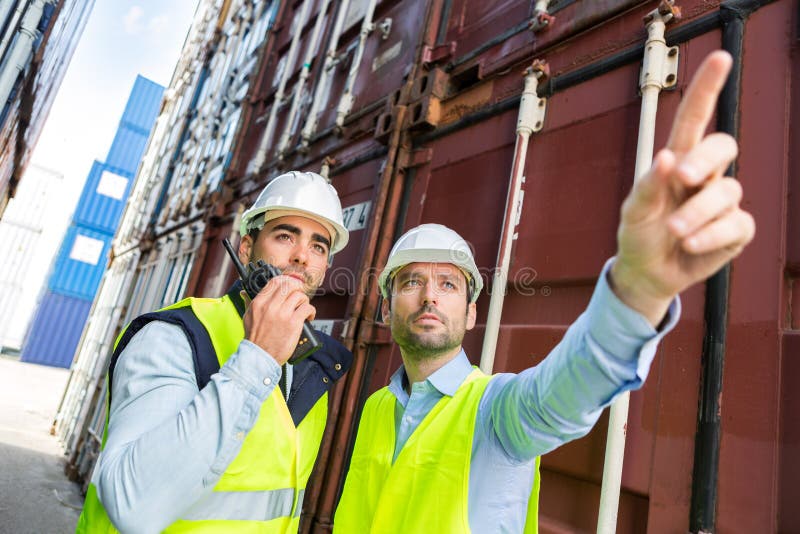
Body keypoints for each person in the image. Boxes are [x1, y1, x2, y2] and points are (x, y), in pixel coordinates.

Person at [334, 50, 755, 533]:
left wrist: (636, 294)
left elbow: (559, 398)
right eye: (412, 281)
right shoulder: (376, 408)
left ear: (472, 313)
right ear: (387, 309)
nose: (430, 295)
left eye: (448, 284)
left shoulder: (497, 413)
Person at [76, 171, 354, 533]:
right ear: (245, 249)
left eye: (318, 246)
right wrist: (258, 356)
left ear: (325, 268)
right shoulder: (171, 338)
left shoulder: (312, 366)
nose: (302, 256)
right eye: (285, 236)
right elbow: (132, 505)